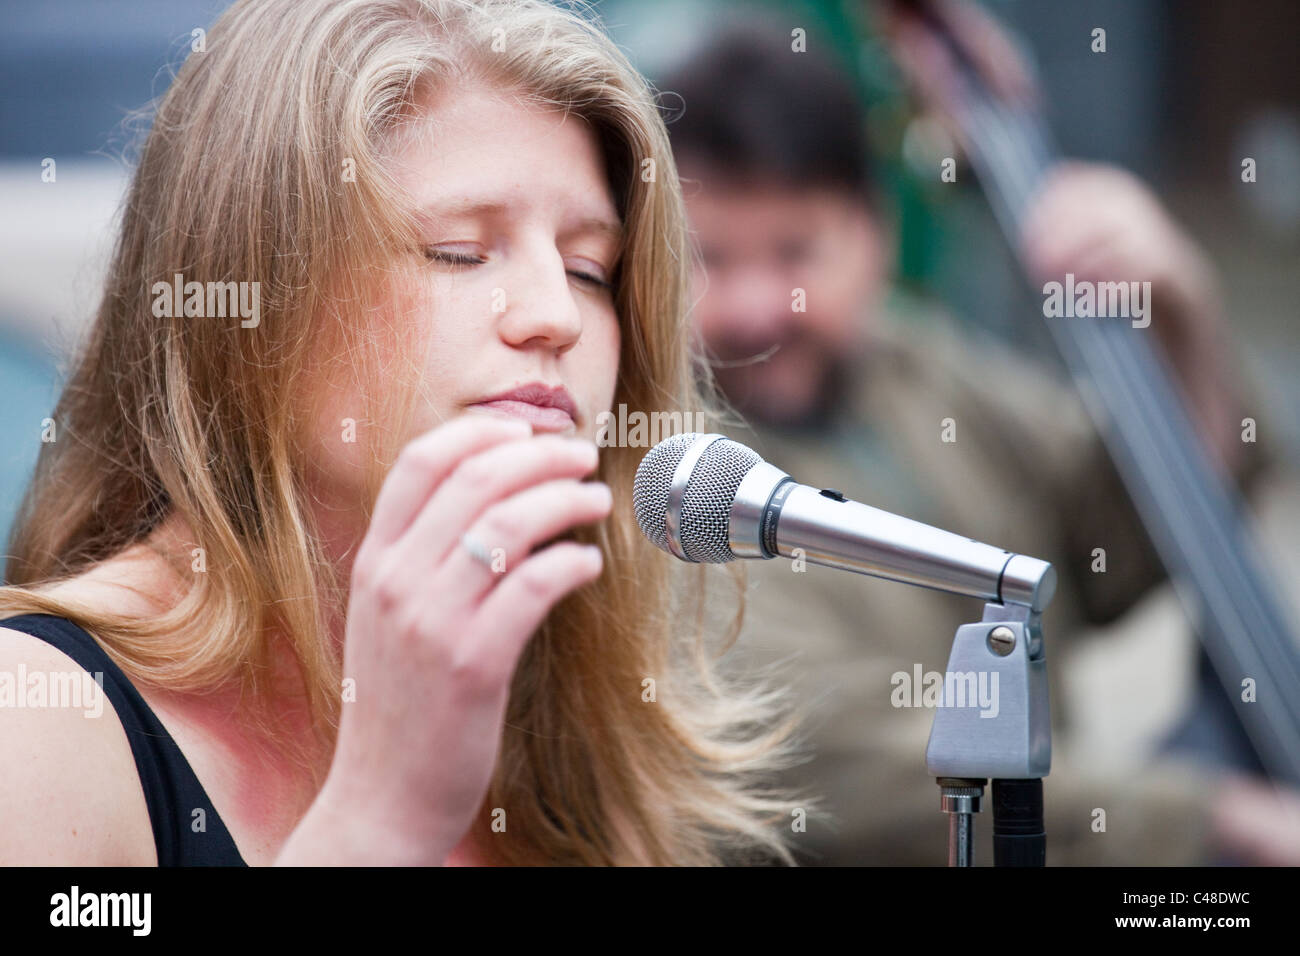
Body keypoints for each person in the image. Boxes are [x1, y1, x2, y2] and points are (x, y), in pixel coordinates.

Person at [0, 0, 811, 866]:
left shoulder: (571, 737)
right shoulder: (40, 717)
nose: (554, 315)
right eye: (458, 250)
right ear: (251, 292)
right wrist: (381, 821)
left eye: (589, 270)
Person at [660, 16, 1299, 865]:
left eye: (795, 251)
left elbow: (1141, 531)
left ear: (874, 232)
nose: (753, 307)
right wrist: (1210, 819)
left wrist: (1178, 305)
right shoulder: (675, 480)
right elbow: (827, 755)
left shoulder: (918, 367)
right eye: (711, 260)